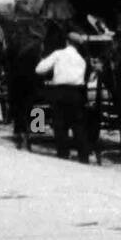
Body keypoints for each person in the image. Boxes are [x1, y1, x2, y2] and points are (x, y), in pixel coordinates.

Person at [35, 29, 90, 162]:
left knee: (60, 125)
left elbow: (39, 69)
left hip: (59, 93)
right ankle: (83, 157)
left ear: (67, 42)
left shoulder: (58, 54)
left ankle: (63, 155)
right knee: (78, 126)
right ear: (77, 45)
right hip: (77, 94)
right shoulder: (81, 60)